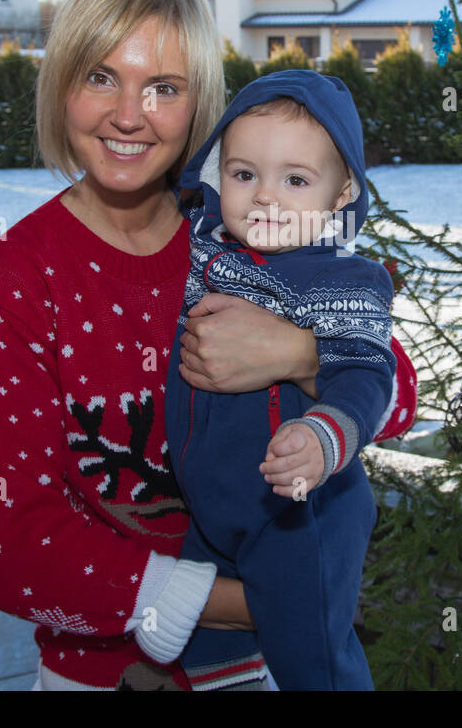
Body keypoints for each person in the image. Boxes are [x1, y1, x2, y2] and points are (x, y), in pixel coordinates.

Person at [0, 0, 417, 690]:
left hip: (261, 670)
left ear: (202, 106)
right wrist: (266, 602)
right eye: (101, 76)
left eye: (164, 87)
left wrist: (296, 353)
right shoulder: (9, 284)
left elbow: (398, 398)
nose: (129, 114)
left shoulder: (245, 235)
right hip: (99, 671)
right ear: (60, 84)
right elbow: (13, 549)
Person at [163, 70, 398, 691]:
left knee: (312, 653)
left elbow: (369, 375)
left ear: (342, 192)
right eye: (244, 175)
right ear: (218, 175)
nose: (265, 198)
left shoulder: (343, 282)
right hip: (211, 502)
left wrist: (326, 436)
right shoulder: (202, 249)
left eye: (295, 180)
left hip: (303, 511)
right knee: (210, 653)